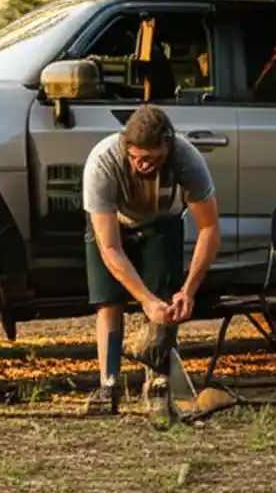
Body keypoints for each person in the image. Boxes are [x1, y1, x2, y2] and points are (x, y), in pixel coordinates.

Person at [80, 104, 221, 425]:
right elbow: (110, 247)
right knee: (108, 301)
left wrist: (188, 290)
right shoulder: (103, 162)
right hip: (112, 225)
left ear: (168, 146)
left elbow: (210, 229)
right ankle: (109, 383)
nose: (144, 165)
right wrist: (142, 299)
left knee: (165, 297)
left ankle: (157, 382)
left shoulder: (186, 159)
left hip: (161, 220)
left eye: (153, 159)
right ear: (125, 147)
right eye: (137, 158)